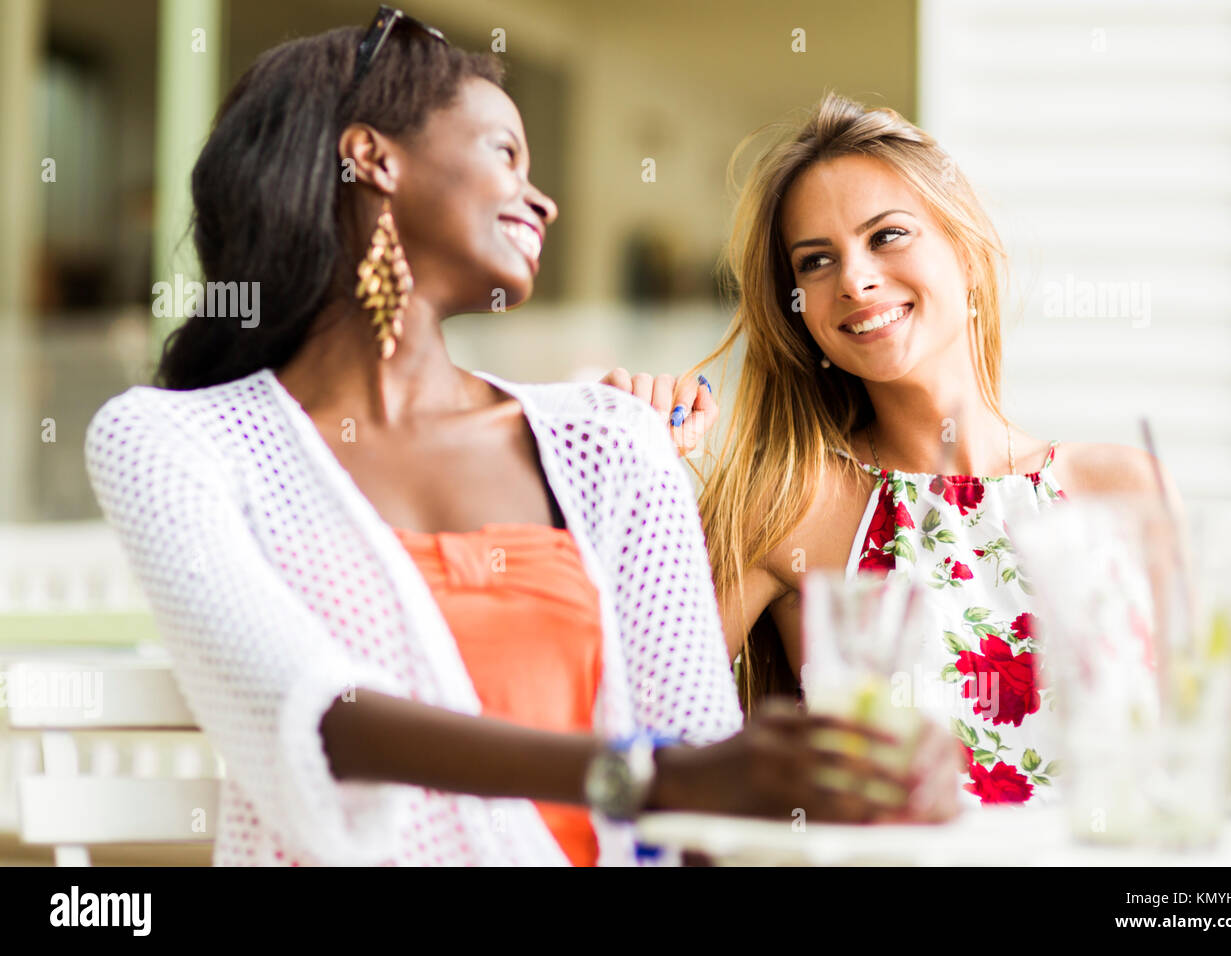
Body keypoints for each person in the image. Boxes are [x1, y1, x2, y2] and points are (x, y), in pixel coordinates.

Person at [84, 15, 959, 867]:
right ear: (373, 158)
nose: (542, 199)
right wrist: (650, 777)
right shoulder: (171, 442)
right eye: (504, 153)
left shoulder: (607, 443)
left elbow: (696, 757)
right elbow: (310, 714)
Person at [605, 93, 1182, 807]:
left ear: (966, 251)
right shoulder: (786, 503)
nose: (853, 279)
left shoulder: (1125, 491)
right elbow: (619, 721)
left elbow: (1194, 751)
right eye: (816, 261)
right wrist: (637, 482)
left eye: (887, 236)